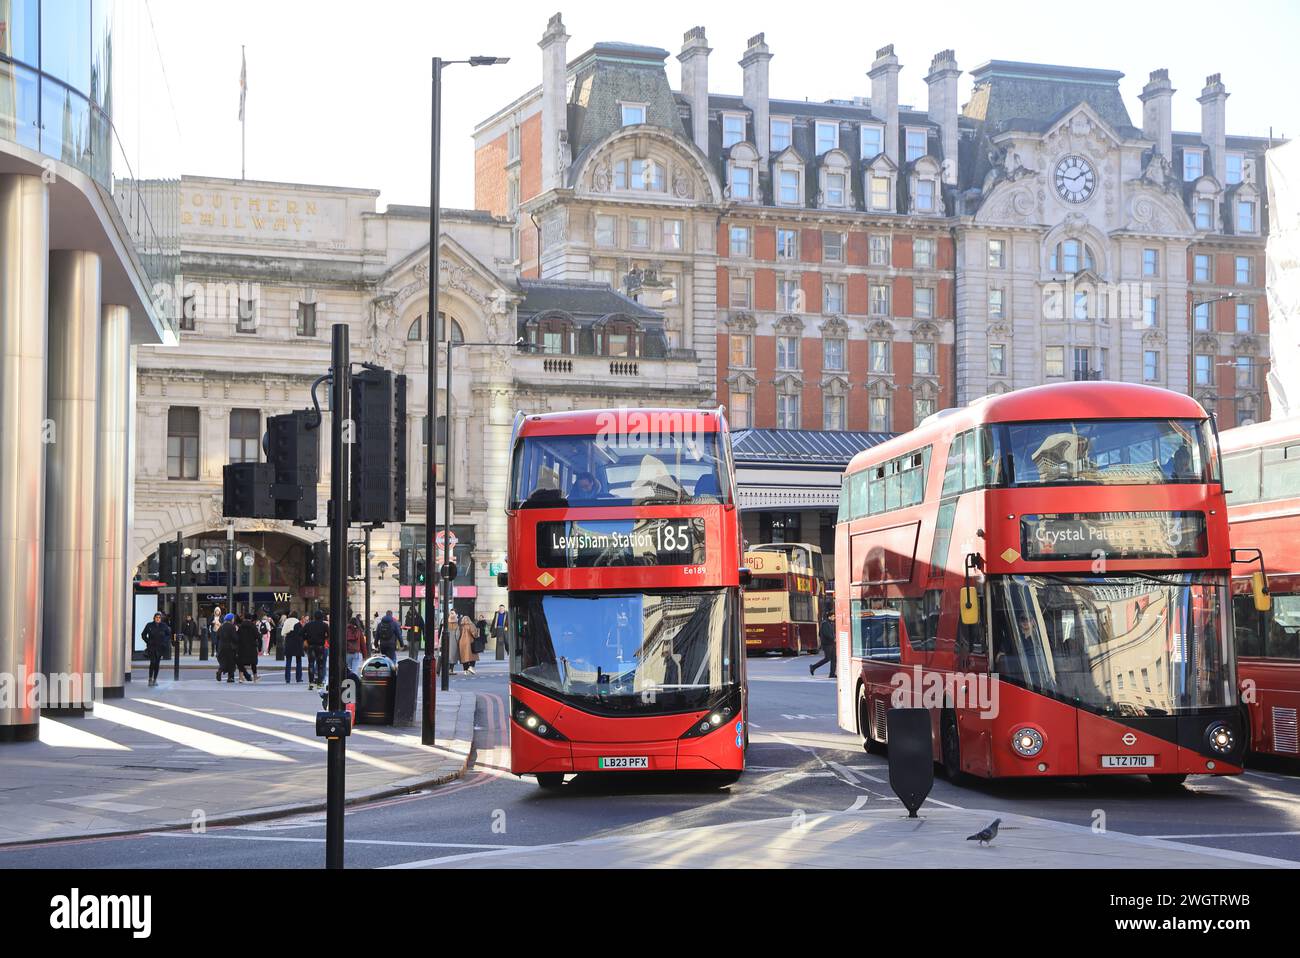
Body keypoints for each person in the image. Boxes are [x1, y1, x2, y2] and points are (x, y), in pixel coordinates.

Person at [141, 612, 172, 687]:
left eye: (159, 617)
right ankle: (150, 679)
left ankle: (155, 679)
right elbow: (143, 634)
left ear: (161, 619)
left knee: (157, 663)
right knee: (153, 662)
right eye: (156, 617)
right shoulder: (149, 625)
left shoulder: (164, 626)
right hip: (152, 647)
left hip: (160, 647)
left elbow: (168, 635)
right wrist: (148, 641)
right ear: (154, 618)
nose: (158, 619)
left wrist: (164, 641)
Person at [303, 611, 329, 690]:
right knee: (320, 664)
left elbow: (301, 633)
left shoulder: (308, 624)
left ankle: (311, 683)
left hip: (311, 646)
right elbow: (329, 634)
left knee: (311, 664)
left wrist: (306, 638)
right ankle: (320, 683)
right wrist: (324, 639)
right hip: (320, 646)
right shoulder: (324, 625)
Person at [810, 608, 837, 678]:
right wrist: (833, 639)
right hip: (827, 644)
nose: (834, 618)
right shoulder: (825, 623)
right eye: (833, 616)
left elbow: (821, 634)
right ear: (829, 617)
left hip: (831, 644)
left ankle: (832, 674)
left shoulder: (829, 623)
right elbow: (826, 634)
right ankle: (813, 667)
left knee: (834, 659)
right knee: (827, 658)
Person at [236, 613, 260, 683]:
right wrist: (260, 648)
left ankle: (241, 678)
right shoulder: (253, 626)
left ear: (244, 618)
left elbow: (237, 637)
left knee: (241, 662)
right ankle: (255, 678)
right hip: (252, 647)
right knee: (253, 663)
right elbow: (258, 637)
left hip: (242, 647)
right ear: (250, 619)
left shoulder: (240, 627)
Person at [216, 613, 238, 683]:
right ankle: (230, 677)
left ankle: (220, 671)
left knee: (223, 661)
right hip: (230, 647)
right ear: (231, 619)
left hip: (221, 646)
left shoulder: (221, 626)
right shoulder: (232, 627)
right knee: (231, 661)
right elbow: (235, 638)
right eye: (233, 618)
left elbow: (217, 636)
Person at [283, 614, 305, 683]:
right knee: (298, 661)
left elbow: (283, 633)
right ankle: (298, 678)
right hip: (297, 643)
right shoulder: (297, 622)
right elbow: (301, 633)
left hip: (289, 643)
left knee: (288, 662)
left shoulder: (286, 622)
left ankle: (287, 679)